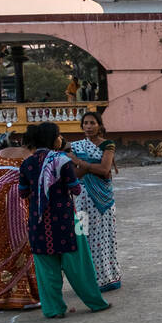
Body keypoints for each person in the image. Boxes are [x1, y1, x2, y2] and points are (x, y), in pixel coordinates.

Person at [17, 121, 111, 318]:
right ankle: (95, 303)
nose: (61, 138)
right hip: (67, 221)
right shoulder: (62, 161)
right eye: (59, 135)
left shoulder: (26, 164)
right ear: (53, 139)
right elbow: (75, 188)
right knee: (80, 266)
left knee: (46, 271)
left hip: (38, 223)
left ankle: (53, 310)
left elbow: (23, 193)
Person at [0, 127, 42, 312]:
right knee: (25, 247)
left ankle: (3, 297)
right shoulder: (31, 158)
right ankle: (27, 297)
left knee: (0, 247)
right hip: (16, 202)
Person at [68, 111, 120, 291]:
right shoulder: (76, 146)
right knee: (82, 237)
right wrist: (89, 166)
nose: (88, 126)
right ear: (82, 126)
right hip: (81, 198)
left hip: (103, 199)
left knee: (105, 237)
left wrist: (80, 162)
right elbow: (74, 174)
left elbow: (105, 169)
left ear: (99, 125)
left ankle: (107, 278)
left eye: (92, 123)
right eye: (85, 123)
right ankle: (86, 281)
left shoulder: (108, 144)